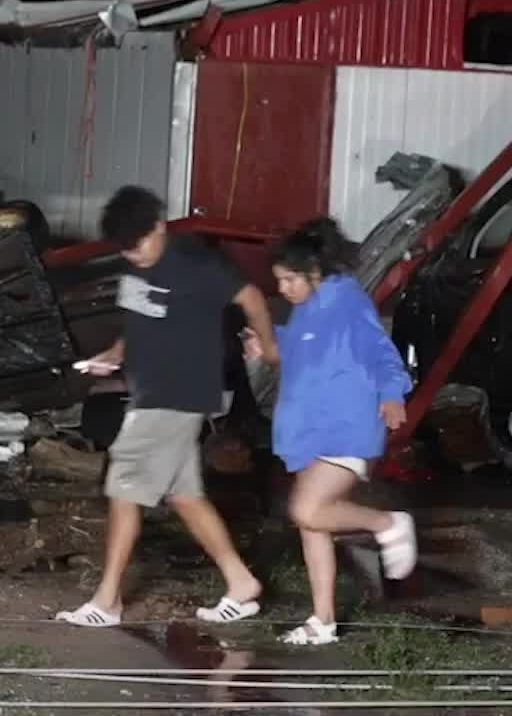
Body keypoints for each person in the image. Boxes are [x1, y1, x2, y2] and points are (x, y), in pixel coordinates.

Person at [55, 186, 280, 628]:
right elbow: (137, 321)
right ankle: (241, 583)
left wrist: (269, 346)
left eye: (139, 246)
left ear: (158, 226)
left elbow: (251, 297)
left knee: (124, 489)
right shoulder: (136, 264)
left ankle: (107, 601)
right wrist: (114, 354)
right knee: (185, 497)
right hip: (152, 392)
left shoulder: (195, 263)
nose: (134, 256)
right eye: (126, 250)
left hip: (177, 393)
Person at [252, 217, 417, 646]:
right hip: (311, 430)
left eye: (289, 279)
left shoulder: (347, 301)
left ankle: (387, 524)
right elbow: (303, 350)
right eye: (279, 281)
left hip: (344, 426)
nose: (283, 289)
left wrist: (392, 394)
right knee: (313, 526)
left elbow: (382, 352)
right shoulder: (308, 308)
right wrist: (269, 345)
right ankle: (322, 622)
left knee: (306, 510)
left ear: (313, 271)